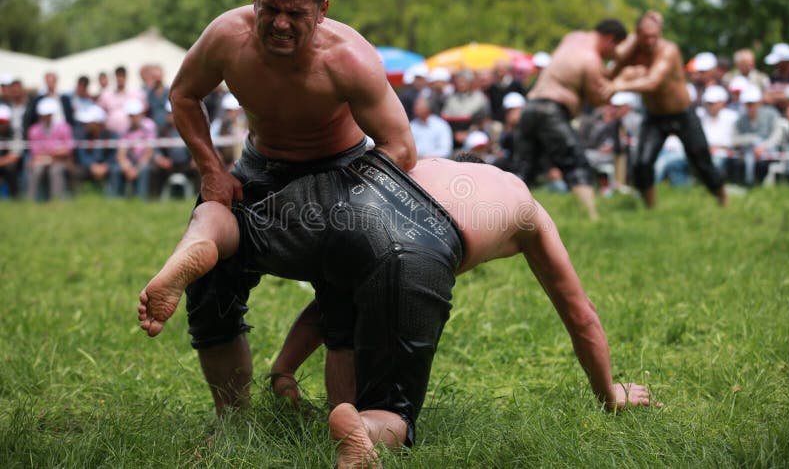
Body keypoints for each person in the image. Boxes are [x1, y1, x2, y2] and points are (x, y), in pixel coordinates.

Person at [138, 150, 659, 469]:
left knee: (260, 242)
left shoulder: (432, 165)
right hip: (424, 235)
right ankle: (366, 428)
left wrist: (285, 369)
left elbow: (325, 305)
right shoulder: (522, 203)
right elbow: (579, 313)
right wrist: (608, 393)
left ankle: (212, 235)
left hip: (362, 190)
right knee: (393, 412)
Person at [160, 0, 415, 417]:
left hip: (341, 171)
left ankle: (348, 429)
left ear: (322, 11)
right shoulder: (225, 36)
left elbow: (401, 147)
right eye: (270, 10)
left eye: (295, 14)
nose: (280, 23)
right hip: (257, 168)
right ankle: (233, 421)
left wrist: (347, 203)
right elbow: (183, 95)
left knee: (347, 299)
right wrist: (211, 169)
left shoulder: (350, 59)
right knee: (210, 281)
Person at [605, 10, 726, 208]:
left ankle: (723, 200)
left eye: (654, 36)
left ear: (660, 33)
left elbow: (652, 82)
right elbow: (613, 66)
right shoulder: (634, 51)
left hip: (683, 114)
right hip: (654, 117)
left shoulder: (668, 50)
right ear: (637, 34)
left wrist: (619, 86)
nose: (651, 41)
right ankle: (650, 210)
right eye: (646, 37)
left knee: (702, 162)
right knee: (642, 163)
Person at [515, 19, 628, 220]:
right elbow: (597, 99)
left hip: (530, 107)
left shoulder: (573, 37)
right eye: (615, 49)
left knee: (523, 167)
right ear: (610, 39)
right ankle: (592, 218)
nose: (614, 54)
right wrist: (616, 83)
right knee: (576, 163)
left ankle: (505, 217)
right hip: (552, 111)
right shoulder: (592, 61)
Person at [409, 91, 453, 158]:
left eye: (418, 106)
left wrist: (426, 157)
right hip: (415, 161)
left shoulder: (441, 125)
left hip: (436, 162)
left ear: (427, 108)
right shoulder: (412, 125)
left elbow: (446, 150)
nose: (415, 108)